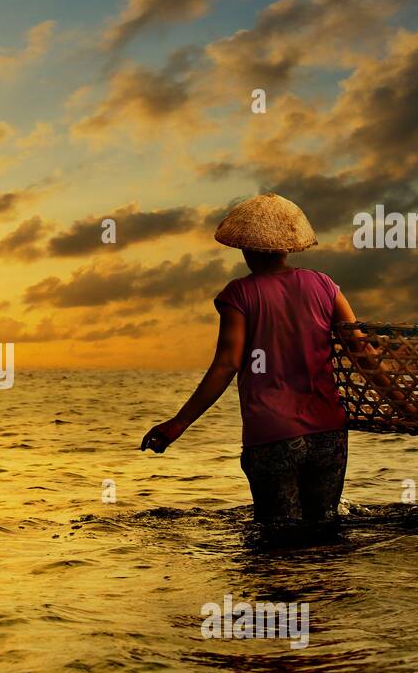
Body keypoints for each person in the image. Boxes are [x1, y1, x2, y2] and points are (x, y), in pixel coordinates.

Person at [140, 193, 358, 525]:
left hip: (272, 435)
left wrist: (179, 423)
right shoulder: (325, 285)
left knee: (277, 534)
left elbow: (227, 364)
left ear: (244, 249)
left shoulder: (239, 294)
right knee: (325, 529)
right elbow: (360, 348)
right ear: (288, 247)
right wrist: (403, 402)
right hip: (328, 431)